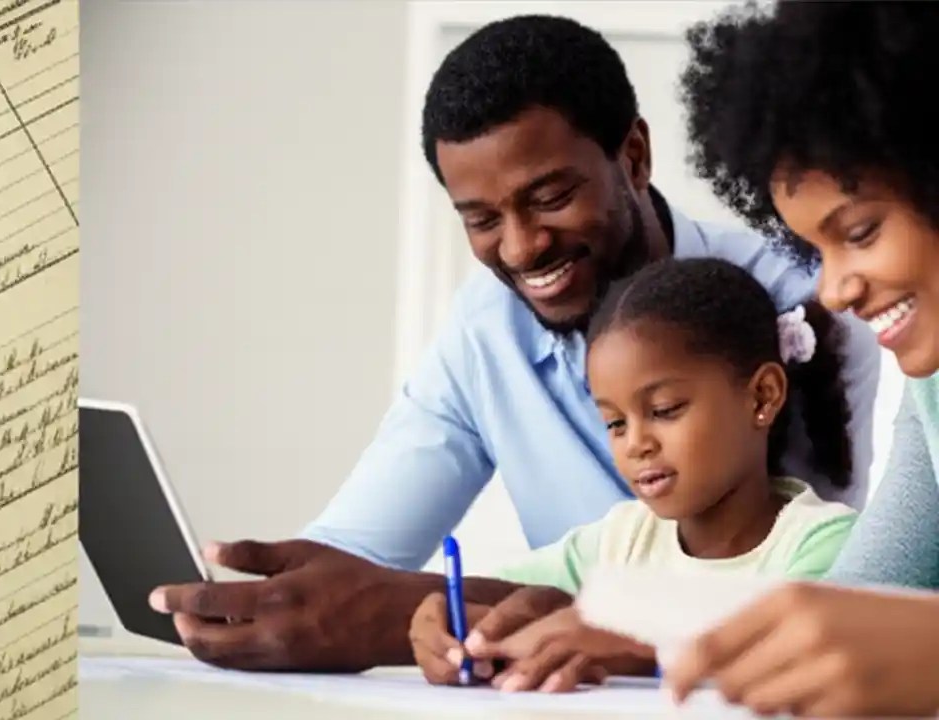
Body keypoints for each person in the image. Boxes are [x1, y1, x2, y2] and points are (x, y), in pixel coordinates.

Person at [146, 14, 882, 674]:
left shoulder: (811, 303)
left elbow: (824, 595)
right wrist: (288, 602)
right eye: (481, 219)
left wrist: (424, 610)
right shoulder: (486, 330)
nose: (524, 247)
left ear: (632, 156)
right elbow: (363, 557)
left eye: (552, 197)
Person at [654, 2, 939, 717]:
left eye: (861, 231)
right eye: (817, 251)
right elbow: (868, 596)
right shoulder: (933, 389)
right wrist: (644, 639)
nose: (834, 291)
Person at [410, 257, 859, 692]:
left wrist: (628, 641)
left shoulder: (825, 542)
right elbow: (501, 598)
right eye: (615, 423)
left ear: (762, 396)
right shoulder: (619, 542)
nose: (636, 443)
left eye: (664, 410)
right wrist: (457, 621)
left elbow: (795, 645)